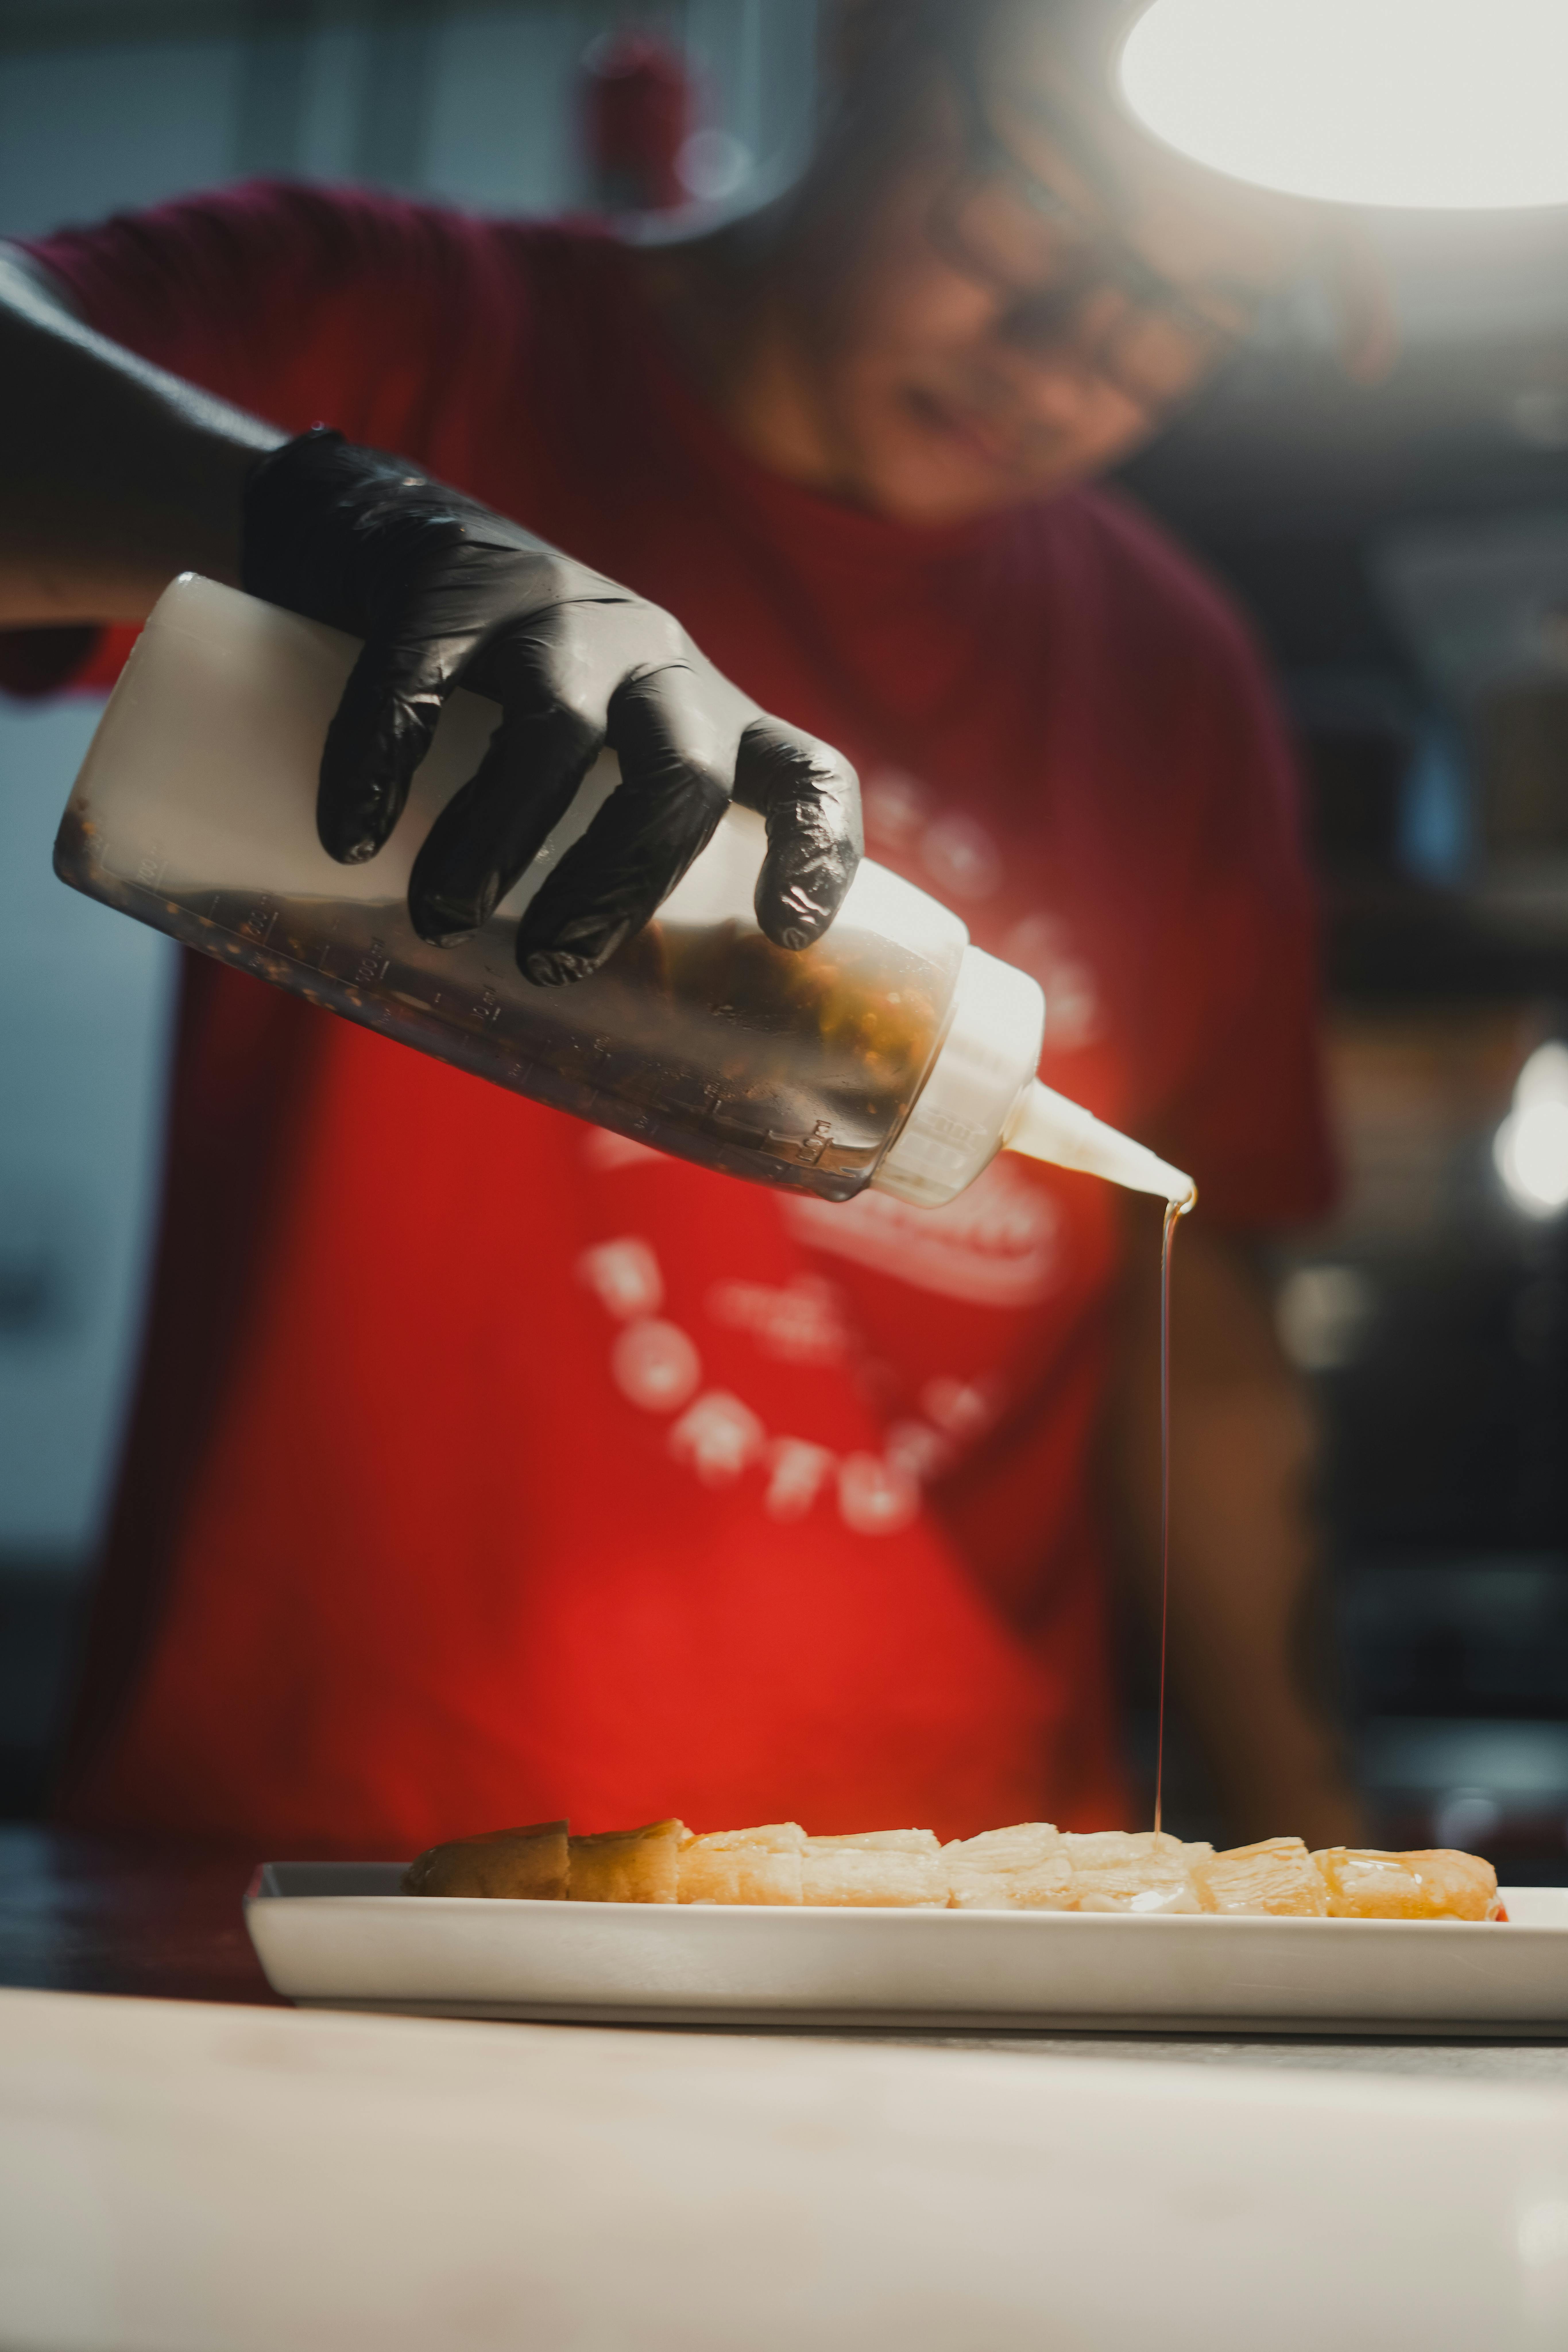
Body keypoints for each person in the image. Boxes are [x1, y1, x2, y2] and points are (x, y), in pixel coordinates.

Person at [0, 0, 1362, 1853]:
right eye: (1046, 206)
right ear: (872, 51)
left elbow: (1194, 1324)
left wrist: (1355, 1893)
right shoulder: (390, 329)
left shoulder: (1172, 672)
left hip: (944, 1908)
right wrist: (310, 520)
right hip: (320, 1876)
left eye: (1202, 304)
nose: (1076, 356)